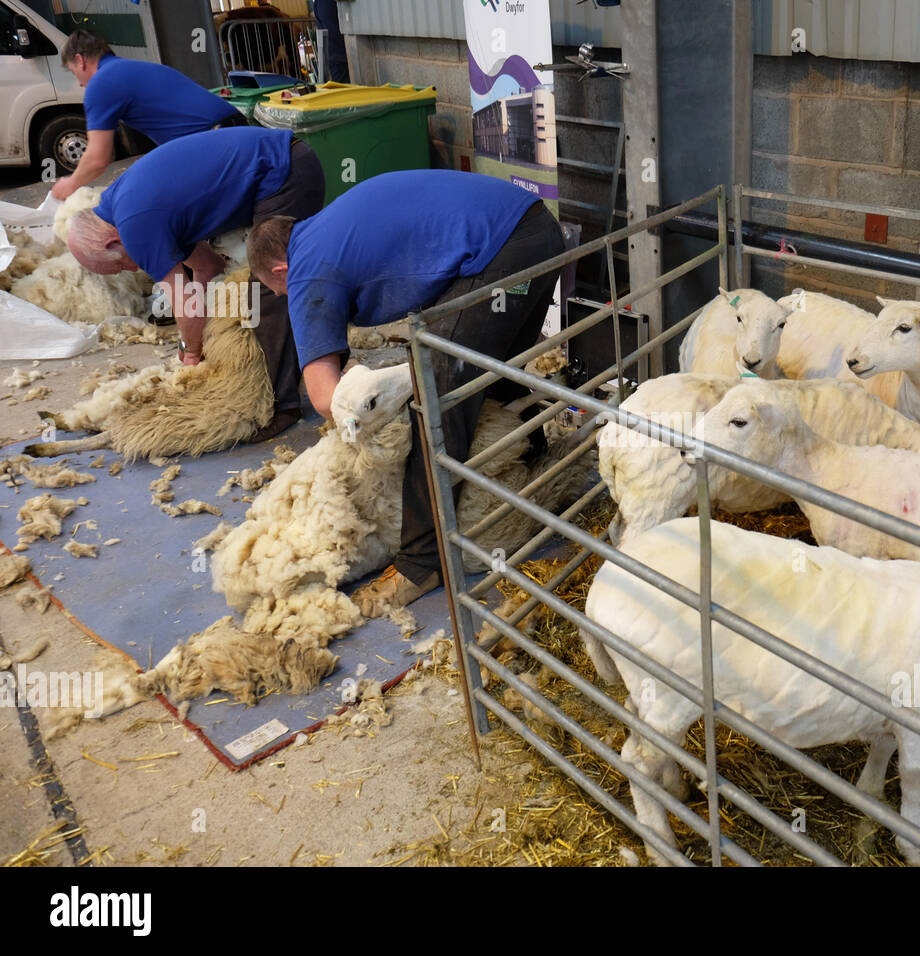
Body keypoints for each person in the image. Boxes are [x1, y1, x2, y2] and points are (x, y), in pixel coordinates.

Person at [245, 170, 566, 614]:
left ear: (280, 269)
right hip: (537, 230)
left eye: (277, 289)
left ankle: (421, 563)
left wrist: (365, 382)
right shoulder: (327, 230)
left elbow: (326, 400)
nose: (285, 297)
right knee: (495, 366)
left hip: (501, 251)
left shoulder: (305, 271)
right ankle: (530, 475)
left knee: (438, 391)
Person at [64, 126, 325, 442]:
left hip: (284, 173)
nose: (131, 268)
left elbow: (185, 306)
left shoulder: (134, 224)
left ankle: (279, 407)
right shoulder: (124, 203)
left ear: (111, 243)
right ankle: (310, 367)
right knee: (271, 285)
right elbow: (207, 266)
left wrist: (191, 354)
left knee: (268, 288)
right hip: (286, 162)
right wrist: (200, 326)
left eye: (120, 264)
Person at [52, 30, 246, 200]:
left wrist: (70, 184)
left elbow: (97, 159)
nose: (79, 83)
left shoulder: (101, 83)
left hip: (213, 143)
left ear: (80, 60)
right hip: (238, 130)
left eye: (73, 72)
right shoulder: (132, 68)